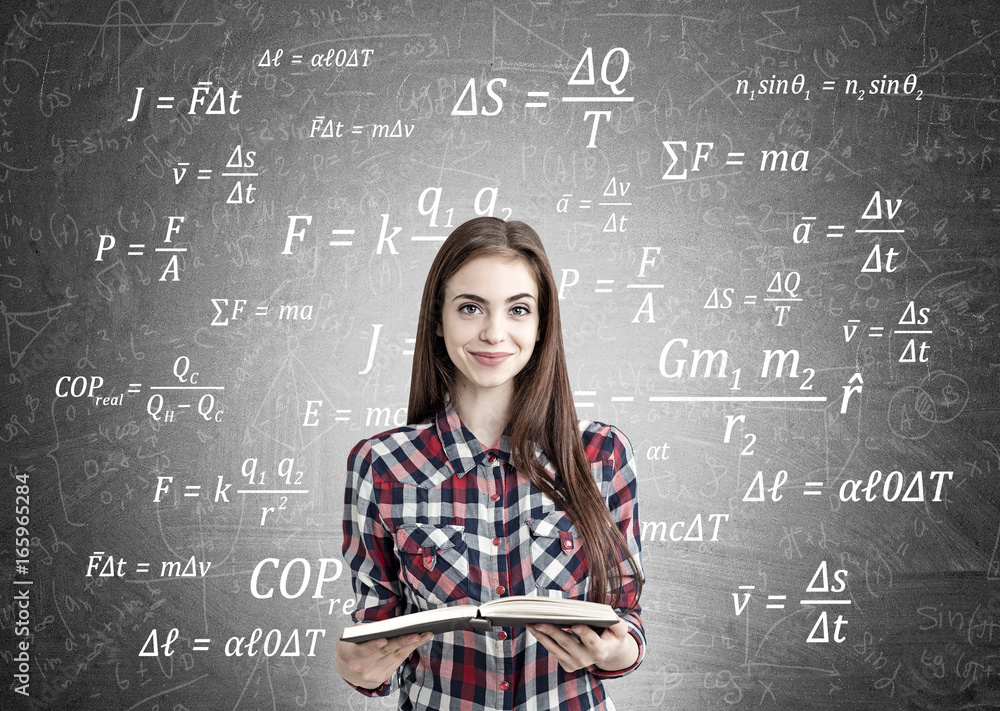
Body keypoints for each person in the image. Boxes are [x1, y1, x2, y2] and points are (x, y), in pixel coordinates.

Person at [334, 216, 645, 710]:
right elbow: (375, 630)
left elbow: (626, 614)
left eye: (518, 309)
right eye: (471, 308)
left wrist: (616, 650)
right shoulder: (380, 465)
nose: (494, 333)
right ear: (439, 319)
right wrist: (358, 668)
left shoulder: (601, 455)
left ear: (542, 325)